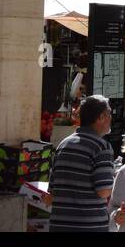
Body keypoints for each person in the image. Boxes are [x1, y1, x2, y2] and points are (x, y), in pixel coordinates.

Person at [49, 95, 116, 232]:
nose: (111, 119)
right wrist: (114, 178)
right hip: (89, 226)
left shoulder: (63, 144)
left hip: (59, 225)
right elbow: (103, 191)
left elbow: (53, 190)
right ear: (101, 117)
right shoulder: (101, 147)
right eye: (109, 114)